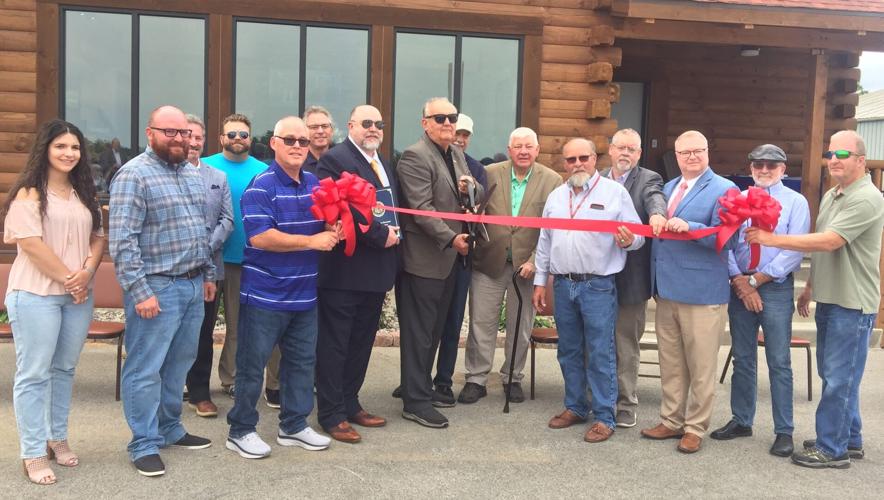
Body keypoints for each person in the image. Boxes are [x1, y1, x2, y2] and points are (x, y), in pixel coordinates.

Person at [745, 130, 884, 469]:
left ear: (861, 161)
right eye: (831, 154)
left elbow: (830, 242)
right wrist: (810, 288)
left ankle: (831, 448)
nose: (834, 160)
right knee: (835, 373)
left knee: (839, 377)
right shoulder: (834, 194)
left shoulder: (867, 197)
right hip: (830, 298)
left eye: (843, 154)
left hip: (853, 302)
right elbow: (825, 251)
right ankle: (848, 439)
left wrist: (771, 238)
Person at [109, 105, 217, 477]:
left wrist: (207, 273)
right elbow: (122, 242)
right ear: (150, 132)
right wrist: (140, 292)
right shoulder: (133, 175)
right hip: (156, 287)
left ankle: (170, 428)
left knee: (179, 364)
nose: (179, 139)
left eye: (183, 133)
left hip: (191, 284)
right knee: (145, 368)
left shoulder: (189, 173)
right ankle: (143, 442)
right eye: (169, 132)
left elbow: (200, 231)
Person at [225, 116, 339, 459]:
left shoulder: (315, 184)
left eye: (303, 142)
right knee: (251, 365)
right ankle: (240, 430)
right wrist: (313, 241)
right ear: (273, 143)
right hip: (265, 295)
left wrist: (336, 229)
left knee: (302, 363)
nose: (297, 147)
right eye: (289, 140)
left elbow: (326, 226)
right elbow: (261, 237)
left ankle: (293, 425)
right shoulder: (260, 185)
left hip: (304, 294)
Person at [3, 119, 105, 485]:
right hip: (36, 295)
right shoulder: (29, 193)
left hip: (77, 295)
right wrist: (69, 279)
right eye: (61, 146)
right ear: (45, 149)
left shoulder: (84, 194)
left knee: (64, 369)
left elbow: (97, 238)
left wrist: (87, 273)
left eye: (75, 147)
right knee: (34, 374)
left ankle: (56, 437)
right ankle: (32, 451)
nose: (69, 153)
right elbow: (29, 244)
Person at [532, 138, 643, 443]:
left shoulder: (614, 193)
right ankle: (576, 406)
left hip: (597, 285)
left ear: (595, 159)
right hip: (564, 283)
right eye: (571, 160)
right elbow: (545, 242)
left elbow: (638, 237)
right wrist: (541, 281)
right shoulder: (556, 196)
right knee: (568, 350)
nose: (577, 164)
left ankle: (605, 416)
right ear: (564, 163)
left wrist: (627, 240)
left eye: (583, 157)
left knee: (600, 351)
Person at [710, 144, 810, 457]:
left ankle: (784, 431)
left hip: (774, 287)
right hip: (739, 284)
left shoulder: (796, 202)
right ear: (751, 168)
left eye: (771, 165)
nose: (764, 170)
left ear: (783, 170)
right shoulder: (736, 200)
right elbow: (724, 241)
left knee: (779, 361)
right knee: (742, 357)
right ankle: (742, 420)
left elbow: (794, 249)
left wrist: (756, 281)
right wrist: (740, 281)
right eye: (758, 165)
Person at [641, 130, 737, 454]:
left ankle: (695, 427)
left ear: (708, 152)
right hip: (667, 290)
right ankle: (671, 420)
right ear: (677, 156)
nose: (692, 157)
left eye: (698, 151)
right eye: (685, 153)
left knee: (701, 366)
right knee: (671, 363)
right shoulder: (668, 188)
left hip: (702, 293)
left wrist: (692, 229)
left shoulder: (726, 189)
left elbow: (728, 238)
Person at [314, 105, 399, 443]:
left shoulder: (384, 164)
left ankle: (351, 403)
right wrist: (382, 236)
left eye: (379, 123)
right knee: (335, 345)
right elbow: (340, 210)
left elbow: (389, 209)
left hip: (376, 273)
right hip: (344, 273)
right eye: (366, 123)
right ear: (350, 125)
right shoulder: (335, 160)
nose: (373, 129)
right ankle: (331, 414)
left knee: (361, 343)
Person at [396, 97, 481, 428]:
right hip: (426, 258)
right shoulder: (415, 156)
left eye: (453, 117)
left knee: (433, 331)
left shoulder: (455, 153)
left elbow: (466, 191)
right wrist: (451, 238)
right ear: (425, 123)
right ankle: (415, 401)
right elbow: (421, 209)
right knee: (420, 332)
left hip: (450, 258)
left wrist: (470, 194)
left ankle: (418, 386)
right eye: (441, 118)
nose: (448, 123)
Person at [459, 127, 561, 405]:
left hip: (526, 267)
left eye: (529, 146)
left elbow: (552, 229)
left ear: (537, 150)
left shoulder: (553, 181)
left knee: (521, 324)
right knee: (482, 322)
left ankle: (513, 378)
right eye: (518, 146)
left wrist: (534, 261)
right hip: (488, 261)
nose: (524, 151)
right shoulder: (490, 174)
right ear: (509, 149)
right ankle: (476, 379)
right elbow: (473, 211)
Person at [201, 114, 269, 403]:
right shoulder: (205, 167)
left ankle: (230, 378)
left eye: (243, 134)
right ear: (221, 138)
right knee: (198, 326)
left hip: (247, 260)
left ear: (250, 139)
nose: (237, 139)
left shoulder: (263, 170)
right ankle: (194, 382)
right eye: (231, 135)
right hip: (209, 259)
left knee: (237, 326)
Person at [603, 129, 667, 428]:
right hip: (597, 275)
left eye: (632, 149)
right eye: (620, 148)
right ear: (610, 150)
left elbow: (655, 199)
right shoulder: (596, 179)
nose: (625, 153)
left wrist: (657, 215)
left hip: (631, 277)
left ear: (639, 154)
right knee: (596, 341)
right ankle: (600, 399)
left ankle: (626, 403)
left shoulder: (649, 179)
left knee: (625, 343)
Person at [427, 112, 488, 405]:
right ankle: (417, 378)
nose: (460, 139)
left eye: (465, 135)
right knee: (426, 322)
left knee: (452, 322)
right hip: (431, 254)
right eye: (457, 133)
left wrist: (472, 204)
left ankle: (444, 381)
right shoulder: (430, 160)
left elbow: (482, 207)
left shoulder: (475, 168)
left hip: (462, 255)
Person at [183, 114, 234, 418]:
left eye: (198, 136)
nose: (193, 141)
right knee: (171, 332)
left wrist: (205, 248)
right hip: (171, 270)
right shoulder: (163, 173)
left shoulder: (218, 177)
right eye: (187, 135)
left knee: (202, 332)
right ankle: (166, 388)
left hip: (209, 270)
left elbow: (227, 219)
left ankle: (200, 392)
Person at [302, 105, 335, 175]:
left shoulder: (342, 158)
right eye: (314, 127)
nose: (320, 131)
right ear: (304, 131)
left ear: (332, 130)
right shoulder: (298, 161)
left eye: (325, 126)